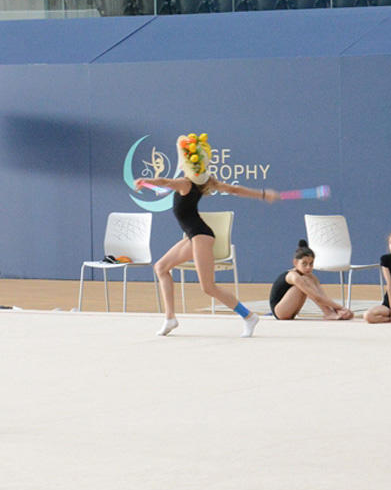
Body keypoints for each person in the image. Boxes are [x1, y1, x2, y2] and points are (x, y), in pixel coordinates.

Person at [136, 132, 279, 337]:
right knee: (161, 267)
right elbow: (234, 190)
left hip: (200, 236)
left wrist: (146, 180)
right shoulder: (204, 182)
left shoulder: (184, 183)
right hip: (194, 236)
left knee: (208, 287)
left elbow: (165, 181)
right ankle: (170, 318)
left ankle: (248, 316)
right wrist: (263, 195)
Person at [269, 240, 355, 320]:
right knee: (304, 281)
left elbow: (322, 295)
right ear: (295, 262)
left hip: (292, 311)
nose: (308, 267)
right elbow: (316, 298)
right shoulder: (293, 276)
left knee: (308, 279)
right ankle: (328, 313)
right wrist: (341, 307)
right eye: (304, 264)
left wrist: (337, 310)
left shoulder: (311, 277)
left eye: (311, 264)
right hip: (280, 312)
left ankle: (329, 313)